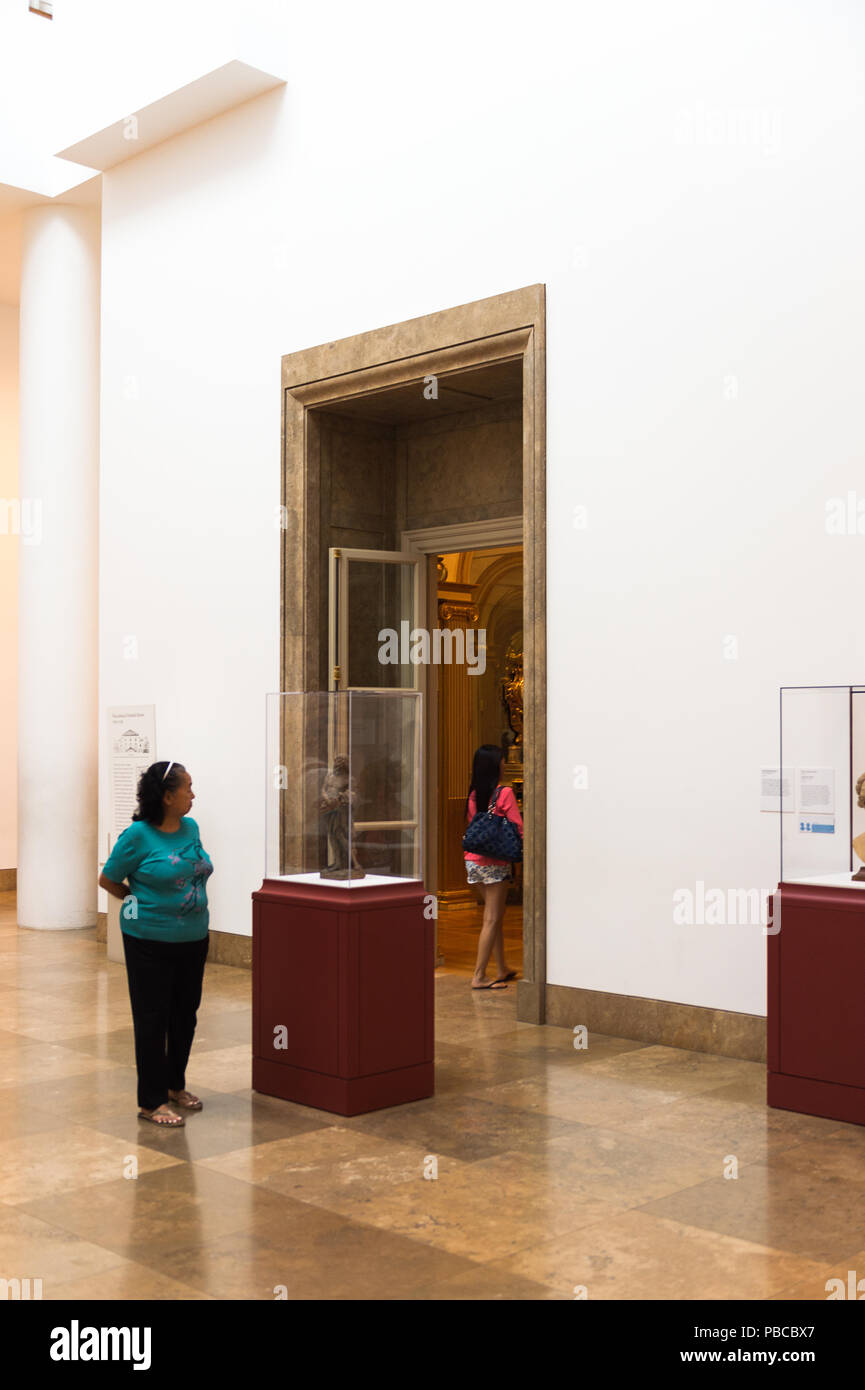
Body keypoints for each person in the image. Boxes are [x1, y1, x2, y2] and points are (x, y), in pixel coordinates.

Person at [99, 760, 213, 1127]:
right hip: (148, 939)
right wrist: (140, 899)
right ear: (167, 796)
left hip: (193, 937)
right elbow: (109, 879)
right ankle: (150, 1102)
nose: (193, 795)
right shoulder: (137, 836)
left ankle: (174, 1086)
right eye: (188, 788)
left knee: (185, 1014)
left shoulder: (191, 828)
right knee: (152, 1018)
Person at [464, 743, 523, 990]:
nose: (503, 764)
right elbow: (518, 827)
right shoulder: (505, 793)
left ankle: (501, 967)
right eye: (501, 760)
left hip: (472, 861)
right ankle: (479, 975)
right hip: (495, 864)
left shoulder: (474, 794)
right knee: (491, 918)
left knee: (496, 915)